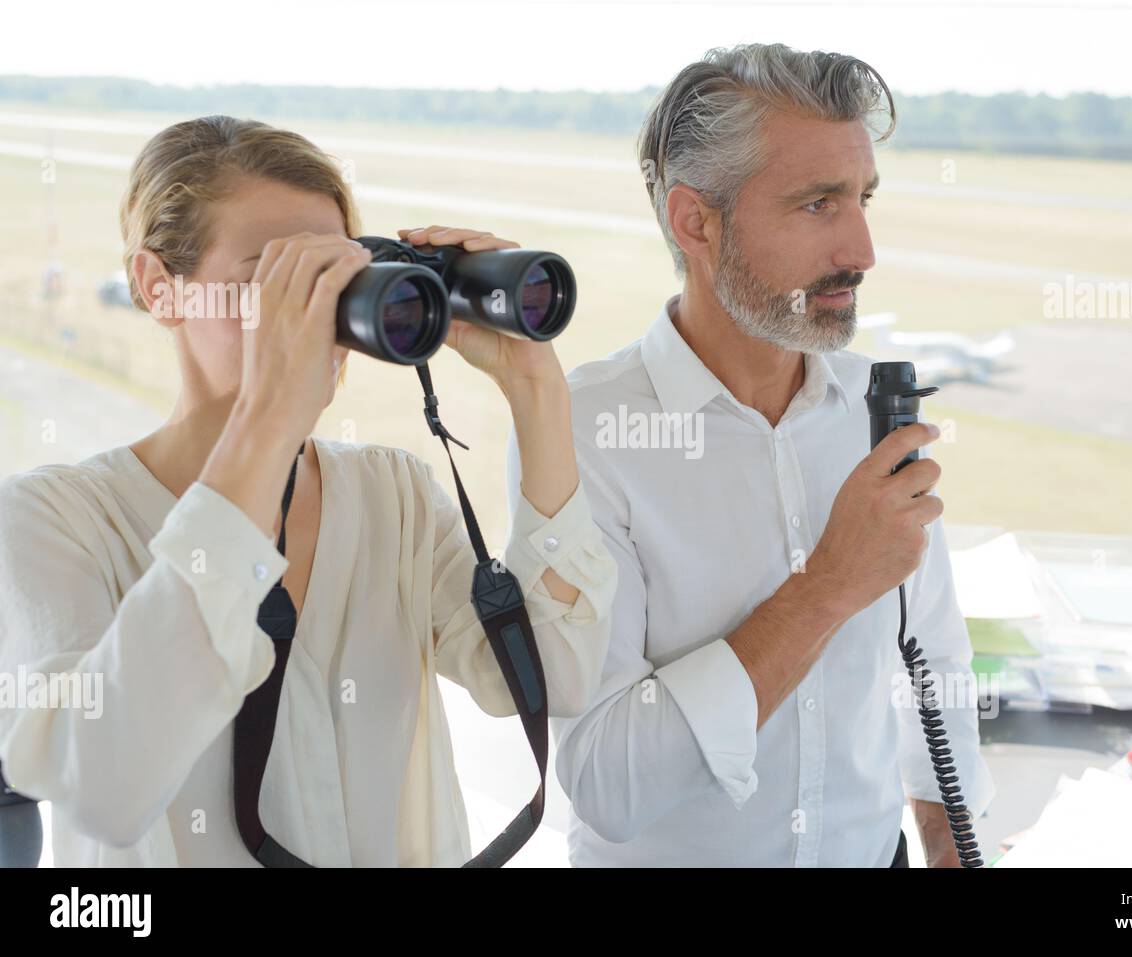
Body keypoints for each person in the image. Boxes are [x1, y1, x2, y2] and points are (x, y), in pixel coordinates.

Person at [0, 116, 617, 866]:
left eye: (336, 281)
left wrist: (536, 392)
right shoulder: (51, 519)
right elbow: (106, 783)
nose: (313, 318)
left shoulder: (395, 496)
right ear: (158, 288)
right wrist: (268, 422)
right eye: (274, 281)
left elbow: (557, 676)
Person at [532, 43, 995, 867]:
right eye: (819, 204)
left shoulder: (872, 409)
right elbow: (606, 782)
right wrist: (828, 587)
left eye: (862, 199)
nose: (862, 249)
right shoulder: (583, 432)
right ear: (694, 221)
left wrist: (948, 843)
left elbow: (936, 659)